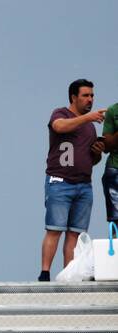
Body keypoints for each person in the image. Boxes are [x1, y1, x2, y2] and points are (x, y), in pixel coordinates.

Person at [41, 79, 105, 279]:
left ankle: (68, 275)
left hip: (84, 185)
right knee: (54, 229)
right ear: (73, 97)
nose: (90, 100)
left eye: (92, 95)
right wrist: (87, 119)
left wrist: (97, 153)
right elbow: (59, 127)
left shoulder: (90, 128)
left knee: (74, 234)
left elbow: (89, 160)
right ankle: (45, 273)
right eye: (85, 95)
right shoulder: (61, 113)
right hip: (60, 181)